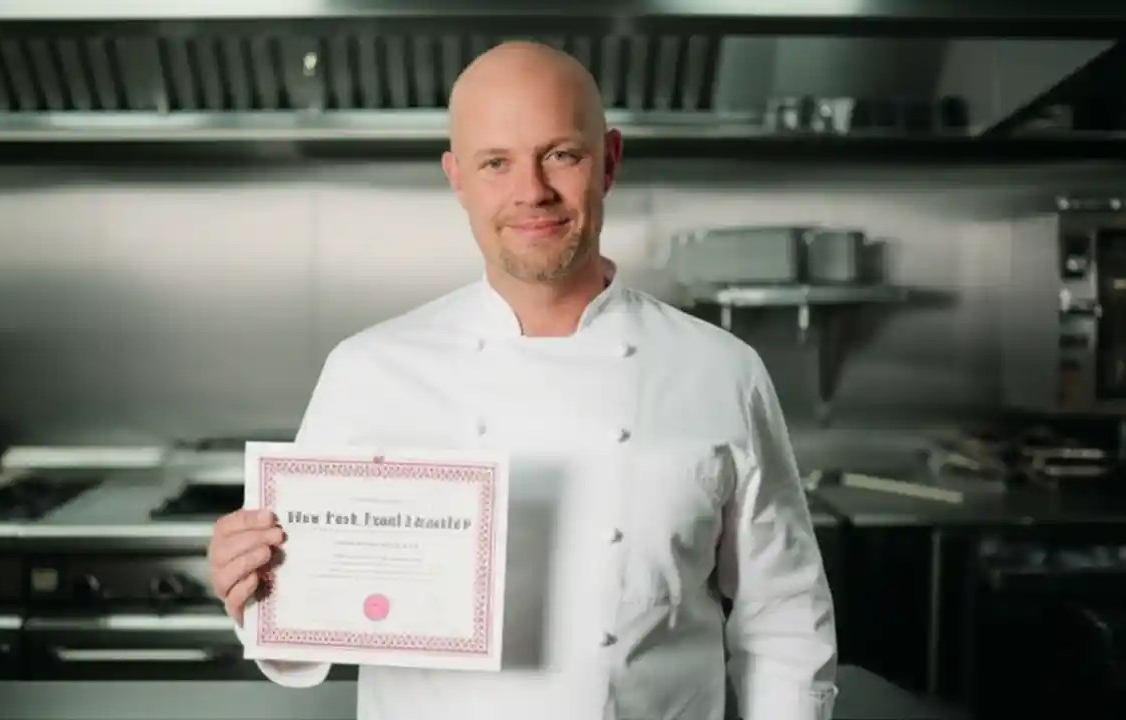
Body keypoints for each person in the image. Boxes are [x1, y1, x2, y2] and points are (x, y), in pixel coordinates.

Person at [207, 41, 837, 720]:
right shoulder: (369, 371)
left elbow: (783, 621)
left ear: (611, 161)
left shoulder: (722, 371)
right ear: (458, 179)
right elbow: (304, 617)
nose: (531, 191)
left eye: (561, 154)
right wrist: (257, 583)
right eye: (496, 162)